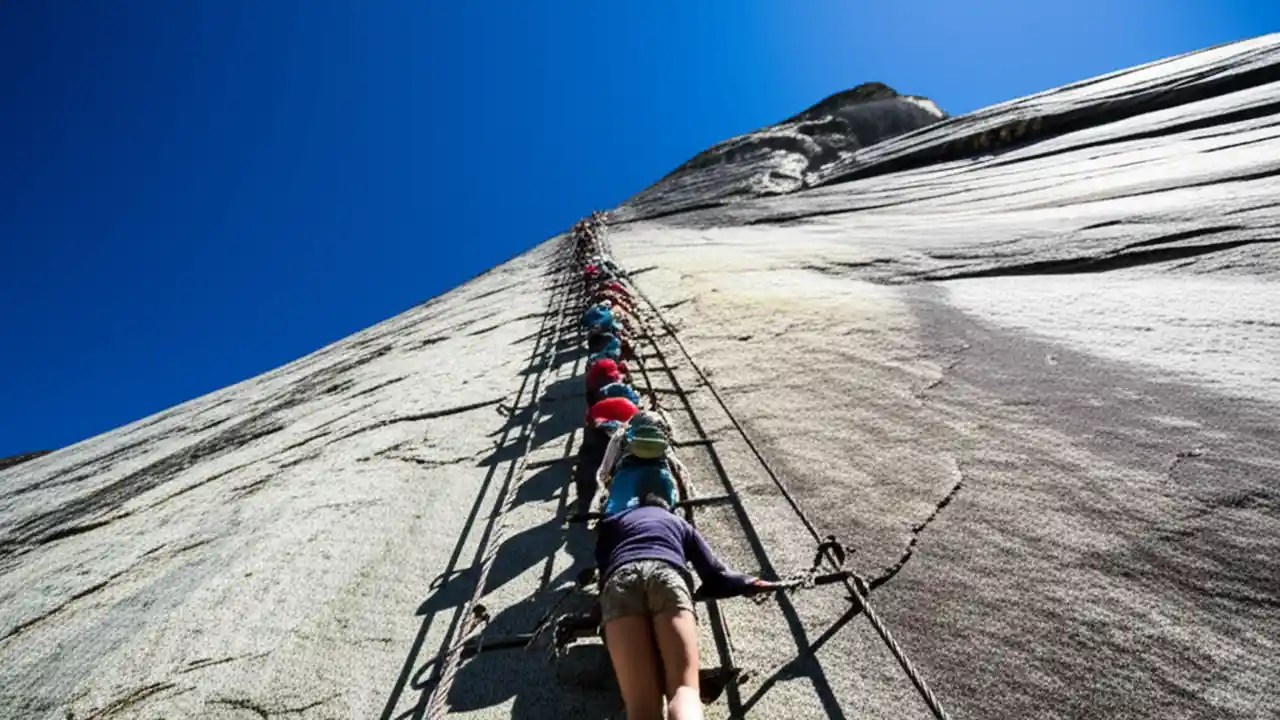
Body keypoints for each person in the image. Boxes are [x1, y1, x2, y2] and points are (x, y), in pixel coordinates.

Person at [596, 495, 780, 720]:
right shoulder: (679, 523)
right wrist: (750, 582)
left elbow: (603, 569)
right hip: (667, 576)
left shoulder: (615, 521)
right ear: (666, 508)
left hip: (621, 580)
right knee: (684, 691)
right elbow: (716, 574)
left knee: (641, 705)